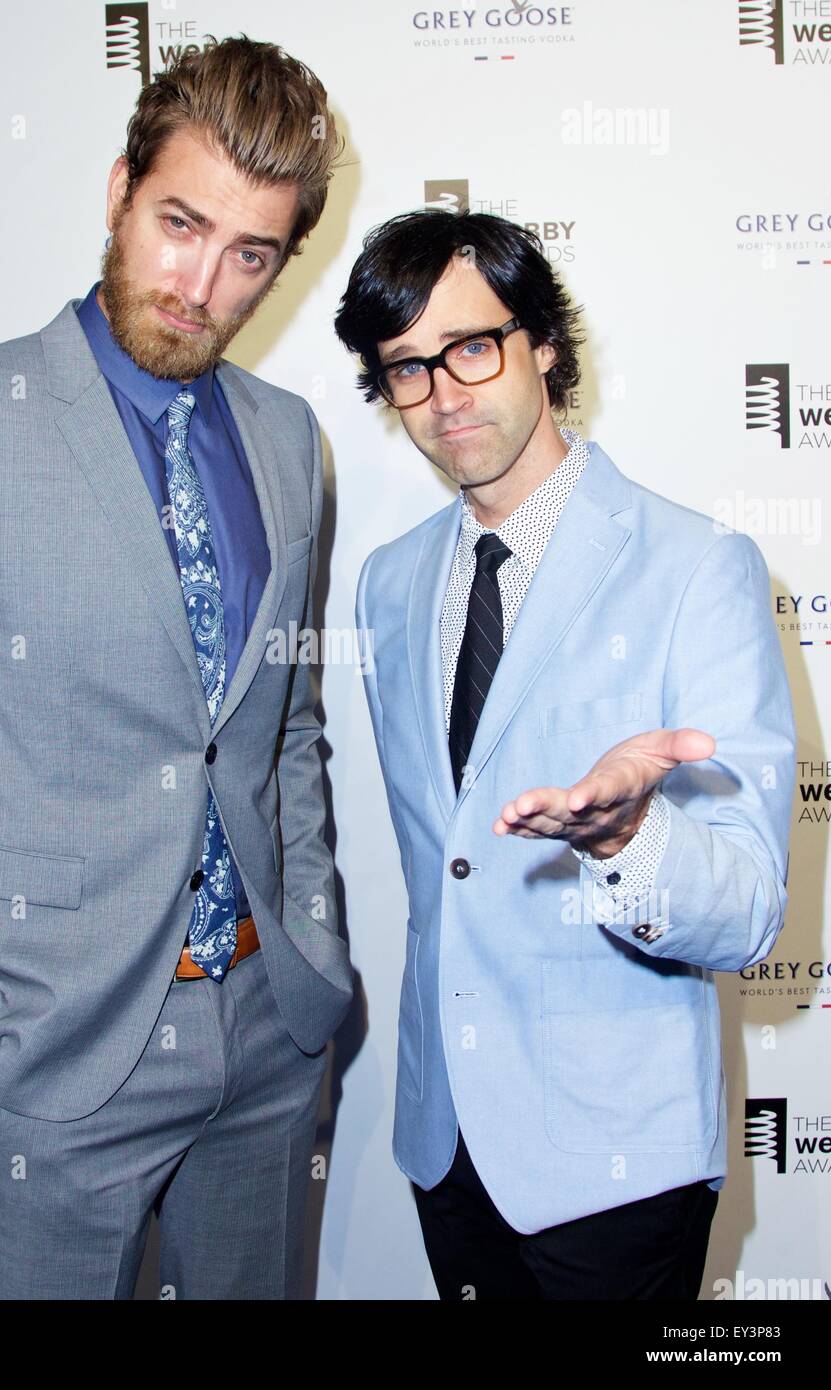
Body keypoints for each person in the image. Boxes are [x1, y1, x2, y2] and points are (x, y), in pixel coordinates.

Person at [0, 36, 352, 1300]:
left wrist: (312, 960)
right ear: (119, 190)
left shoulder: (289, 442)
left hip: (267, 1038)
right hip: (54, 1063)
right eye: (181, 223)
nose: (203, 284)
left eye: (251, 255)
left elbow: (283, 732)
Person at [336, 209, 795, 1299]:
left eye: (473, 347)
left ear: (542, 341)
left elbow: (750, 909)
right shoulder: (389, 584)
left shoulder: (697, 567)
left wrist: (631, 835)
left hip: (616, 1161)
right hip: (445, 1142)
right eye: (407, 368)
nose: (445, 394)